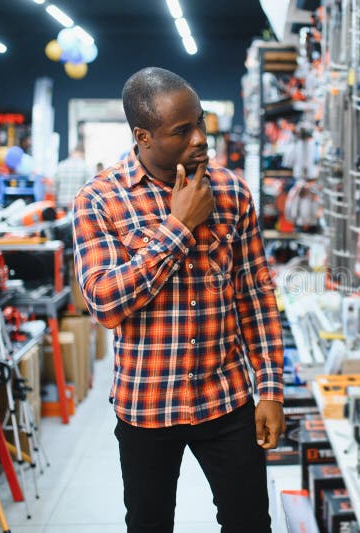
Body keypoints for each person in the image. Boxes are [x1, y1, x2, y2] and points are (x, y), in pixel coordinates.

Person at [71, 67, 284, 533]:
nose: (200, 139)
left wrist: (269, 390)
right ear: (143, 136)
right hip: (147, 405)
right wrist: (180, 227)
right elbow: (106, 303)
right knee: (148, 525)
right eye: (182, 131)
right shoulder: (100, 200)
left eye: (201, 123)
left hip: (226, 397)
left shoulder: (232, 192)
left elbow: (256, 297)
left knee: (250, 523)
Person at [54, 144, 93, 208]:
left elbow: (54, 187)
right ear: (83, 153)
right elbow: (90, 188)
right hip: (77, 205)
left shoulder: (61, 166)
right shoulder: (86, 167)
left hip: (62, 204)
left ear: (72, 152)